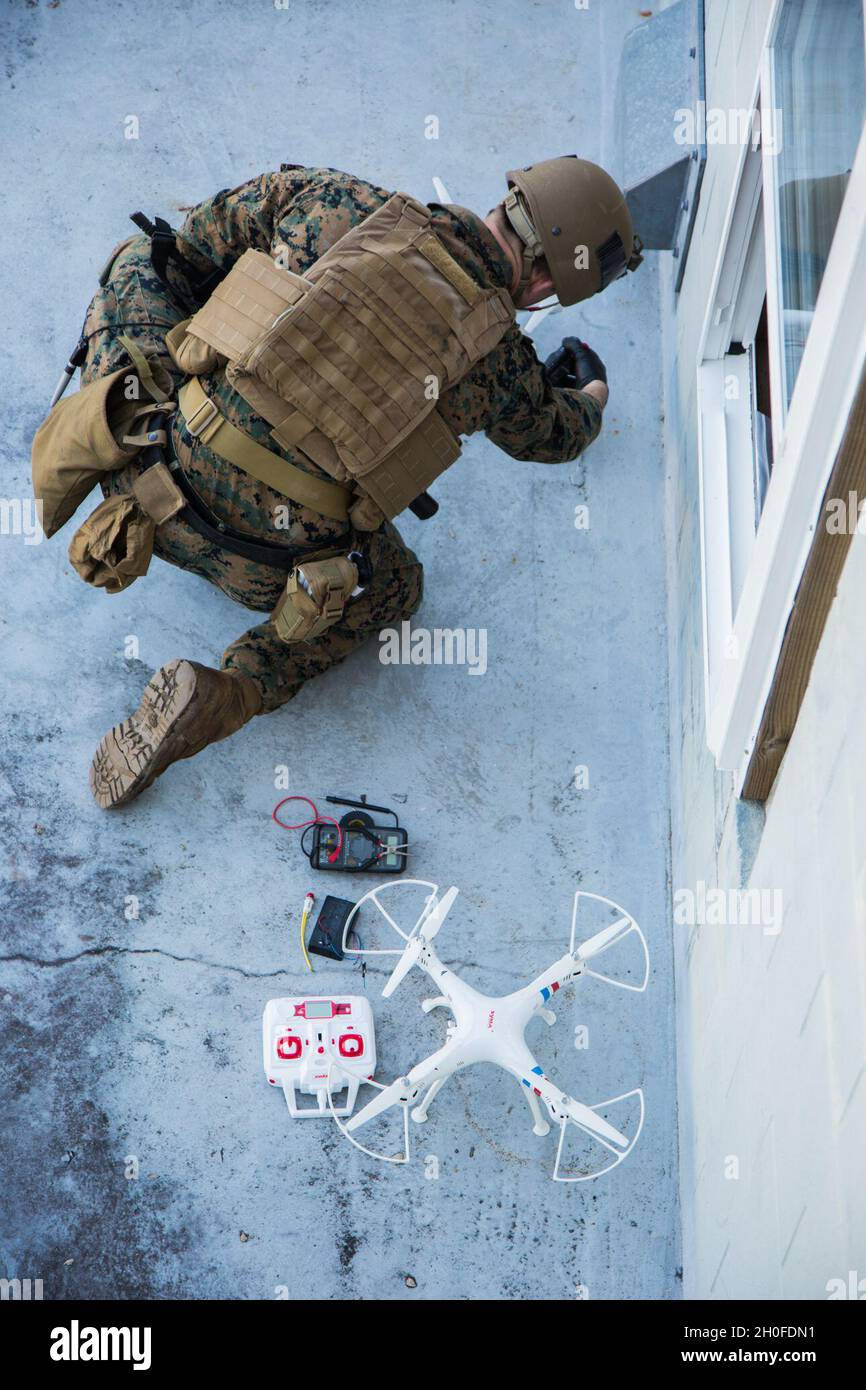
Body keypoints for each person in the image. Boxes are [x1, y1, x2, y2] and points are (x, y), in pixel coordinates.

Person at [31, 156, 642, 809]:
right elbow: (554, 436)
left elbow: (199, 240)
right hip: (265, 570)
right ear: (544, 275)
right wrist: (592, 399)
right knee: (396, 587)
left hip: (147, 469)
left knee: (138, 261)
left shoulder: (337, 198)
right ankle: (235, 690)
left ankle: (95, 444)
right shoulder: (506, 368)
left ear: (512, 197)